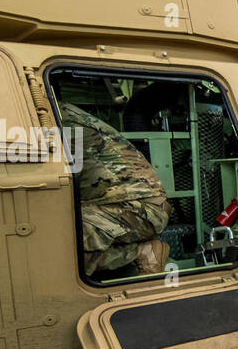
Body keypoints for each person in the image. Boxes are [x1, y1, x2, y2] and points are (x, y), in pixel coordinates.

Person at [59, 102, 171, 276]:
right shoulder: (53, 114)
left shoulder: (57, 120)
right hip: (119, 204)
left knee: (56, 236)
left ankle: (140, 254)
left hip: (139, 208)